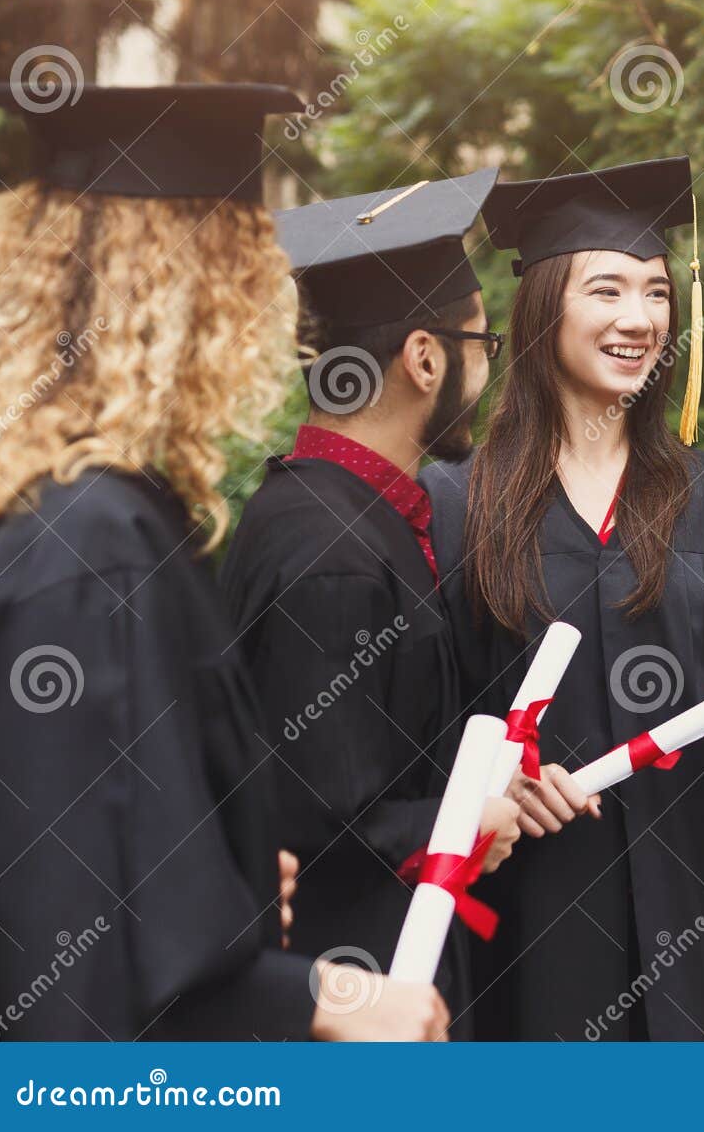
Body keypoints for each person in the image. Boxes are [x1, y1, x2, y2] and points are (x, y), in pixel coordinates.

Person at [0, 83, 446, 1040]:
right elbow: (57, 974)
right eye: (249, 258)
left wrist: (229, 867)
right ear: (197, 281)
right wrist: (329, 999)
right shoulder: (97, 547)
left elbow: (85, 852)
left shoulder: (64, 506)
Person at [422, 155, 704, 1040]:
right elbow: (420, 716)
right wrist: (494, 785)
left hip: (692, 903)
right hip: (528, 916)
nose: (639, 319)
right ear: (543, 306)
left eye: (656, 292)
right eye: (607, 291)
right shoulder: (456, 500)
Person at [220, 169, 520, 1028]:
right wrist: (463, 820)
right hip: (347, 986)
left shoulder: (312, 504)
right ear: (425, 358)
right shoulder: (336, 553)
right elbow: (319, 818)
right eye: (481, 345)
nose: (484, 374)